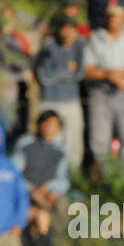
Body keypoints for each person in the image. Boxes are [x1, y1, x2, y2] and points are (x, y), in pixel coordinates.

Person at [82, 1, 124, 169]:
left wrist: (118, 75)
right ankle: (104, 181)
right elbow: (88, 70)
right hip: (101, 94)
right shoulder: (96, 38)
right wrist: (109, 75)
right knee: (99, 140)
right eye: (109, 16)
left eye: (116, 16)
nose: (112, 20)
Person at [10, 109, 70, 246]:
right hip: (25, 194)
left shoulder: (60, 151)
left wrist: (50, 189)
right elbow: (14, 174)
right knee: (37, 215)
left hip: (47, 196)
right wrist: (32, 191)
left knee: (47, 214)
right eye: (47, 123)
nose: (50, 128)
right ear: (40, 125)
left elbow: (63, 179)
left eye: (54, 125)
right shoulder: (25, 144)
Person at [34, 15, 86, 171]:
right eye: (64, 28)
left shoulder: (79, 47)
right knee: (50, 140)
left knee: (72, 142)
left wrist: (58, 74)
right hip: (50, 101)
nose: (67, 33)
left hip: (71, 101)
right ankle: (48, 175)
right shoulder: (48, 46)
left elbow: (80, 74)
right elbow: (44, 77)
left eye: (71, 29)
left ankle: (71, 176)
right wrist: (66, 71)